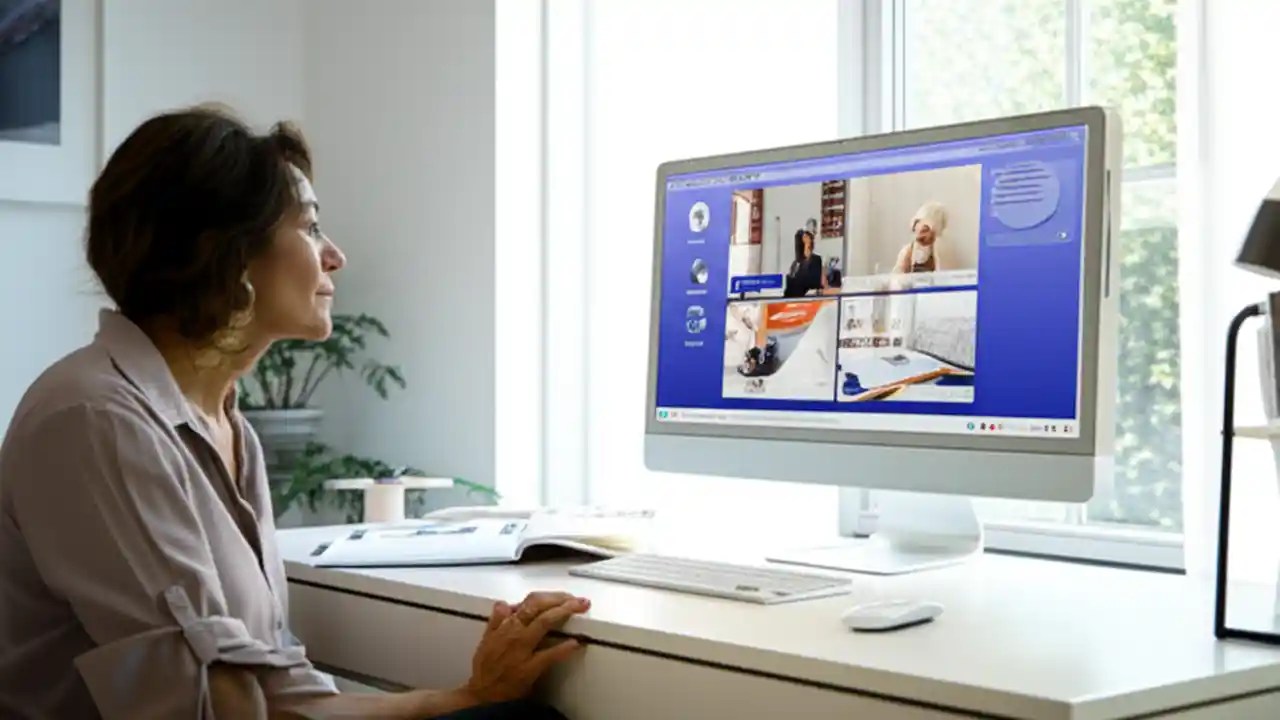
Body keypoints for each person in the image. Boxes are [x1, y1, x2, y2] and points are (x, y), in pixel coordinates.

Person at [0, 107, 588, 719]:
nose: (334, 256)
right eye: (309, 228)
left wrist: (467, 698)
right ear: (225, 253)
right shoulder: (96, 419)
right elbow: (208, 704)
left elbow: (280, 695)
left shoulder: (228, 428)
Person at [893, 200, 948, 274]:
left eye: (932, 236)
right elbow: (896, 277)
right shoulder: (907, 252)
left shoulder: (937, 253)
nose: (926, 236)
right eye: (923, 230)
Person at [783, 228, 825, 297]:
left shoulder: (816, 259)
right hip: (793, 297)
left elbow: (814, 282)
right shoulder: (795, 263)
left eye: (807, 238)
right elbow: (790, 282)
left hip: (807, 296)